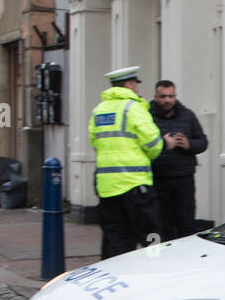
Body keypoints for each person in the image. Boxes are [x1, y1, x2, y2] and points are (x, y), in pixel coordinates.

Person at [89, 66, 164, 259]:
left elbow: (95, 142)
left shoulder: (99, 110)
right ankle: (157, 267)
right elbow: (153, 144)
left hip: (107, 186)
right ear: (129, 85)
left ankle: (117, 274)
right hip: (135, 184)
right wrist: (163, 145)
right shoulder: (134, 108)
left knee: (115, 236)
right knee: (151, 233)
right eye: (136, 85)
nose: (138, 89)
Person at [149, 79, 209, 240]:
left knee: (186, 221)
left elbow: (203, 142)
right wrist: (162, 144)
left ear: (175, 96)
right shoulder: (146, 116)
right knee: (162, 222)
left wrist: (189, 144)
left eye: (171, 96)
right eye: (163, 96)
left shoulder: (187, 115)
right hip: (158, 178)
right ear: (156, 97)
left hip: (184, 178)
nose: (167, 100)